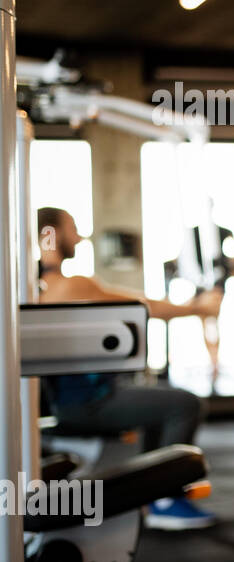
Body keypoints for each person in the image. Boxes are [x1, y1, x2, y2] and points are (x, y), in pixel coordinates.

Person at [37, 206, 221, 529]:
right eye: (72, 228)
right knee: (185, 404)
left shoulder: (34, 286)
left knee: (156, 403)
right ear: (50, 235)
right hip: (87, 404)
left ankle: (152, 494)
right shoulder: (68, 285)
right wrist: (196, 307)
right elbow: (141, 305)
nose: (80, 237)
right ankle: (165, 500)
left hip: (70, 401)